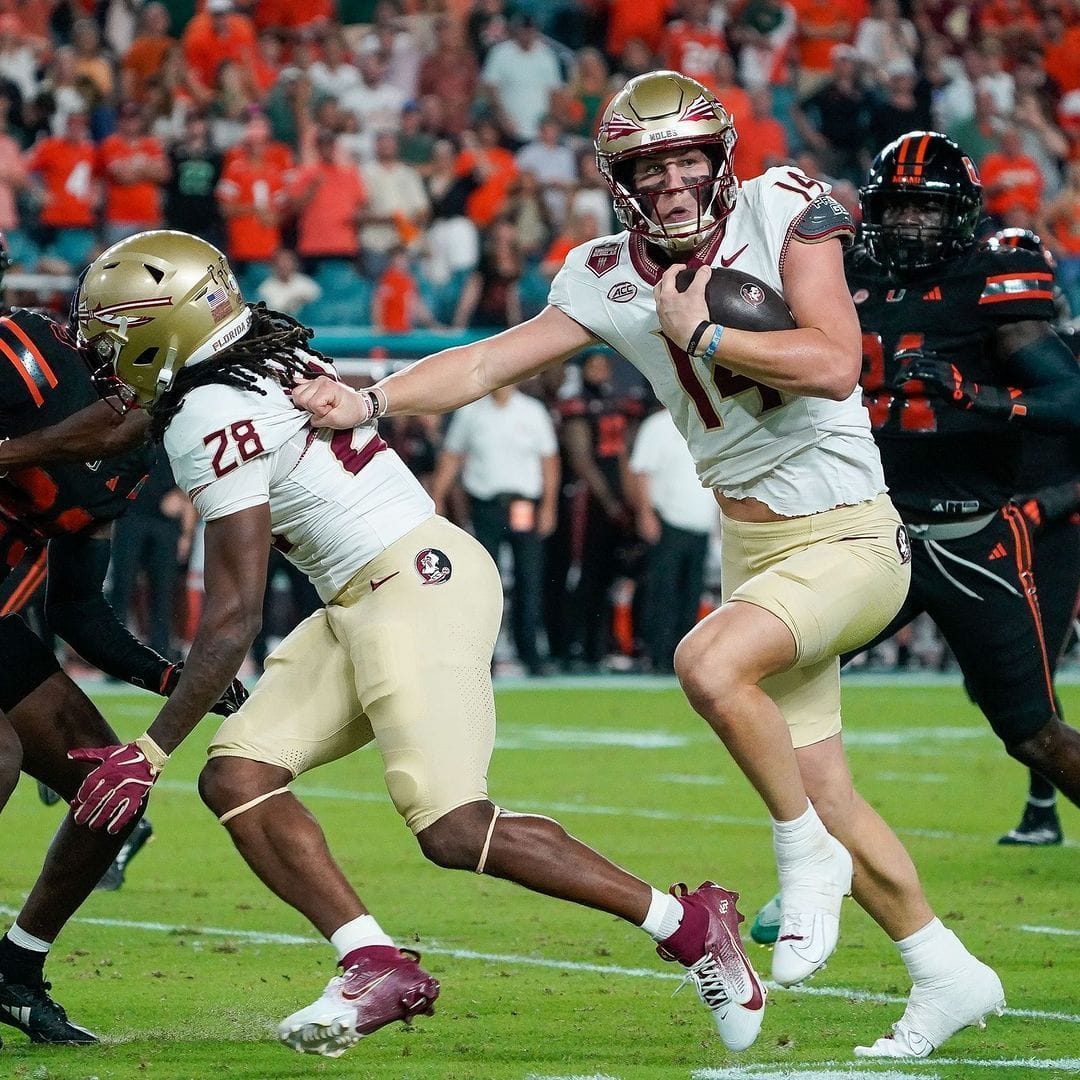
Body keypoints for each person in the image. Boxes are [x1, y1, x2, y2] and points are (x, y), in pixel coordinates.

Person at [289, 71, 1003, 1059]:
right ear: (619, 180)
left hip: (847, 532)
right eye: (647, 167)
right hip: (754, 547)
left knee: (708, 664)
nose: (670, 182)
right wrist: (370, 400)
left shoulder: (782, 209)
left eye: (686, 160)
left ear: (720, 159)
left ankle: (805, 860)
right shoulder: (602, 272)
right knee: (826, 787)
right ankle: (944, 970)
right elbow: (490, 361)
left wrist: (701, 333)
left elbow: (837, 362)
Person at [70, 229, 769, 1059]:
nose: (107, 352)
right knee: (238, 775)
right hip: (368, 589)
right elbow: (125, 433)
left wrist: (148, 752)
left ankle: (687, 924)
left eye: (117, 331)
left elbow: (231, 620)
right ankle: (372, 960)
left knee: (451, 825)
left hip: (411, 582)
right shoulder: (252, 358)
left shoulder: (208, 410)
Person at [0, 243, 247, 1046]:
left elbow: (78, 609)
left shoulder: (141, 444)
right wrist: (33, 449)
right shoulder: (23, 356)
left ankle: (14, 972)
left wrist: (173, 676)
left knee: (110, 789)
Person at [987, 226, 1080, 846]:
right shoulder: (973, 350)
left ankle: (1042, 809)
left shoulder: (1066, 356)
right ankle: (1042, 809)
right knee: (1001, 679)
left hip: (1056, 527)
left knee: (1028, 677)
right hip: (1003, 525)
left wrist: (1049, 504)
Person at [429, 383, 559, 676]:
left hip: (523, 505)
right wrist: (437, 496)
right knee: (486, 580)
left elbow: (549, 460)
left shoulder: (532, 411)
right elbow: (452, 456)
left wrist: (549, 505)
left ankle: (530, 653)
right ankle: (484, 655)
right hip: (486, 505)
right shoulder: (471, 413)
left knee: (529, 577)